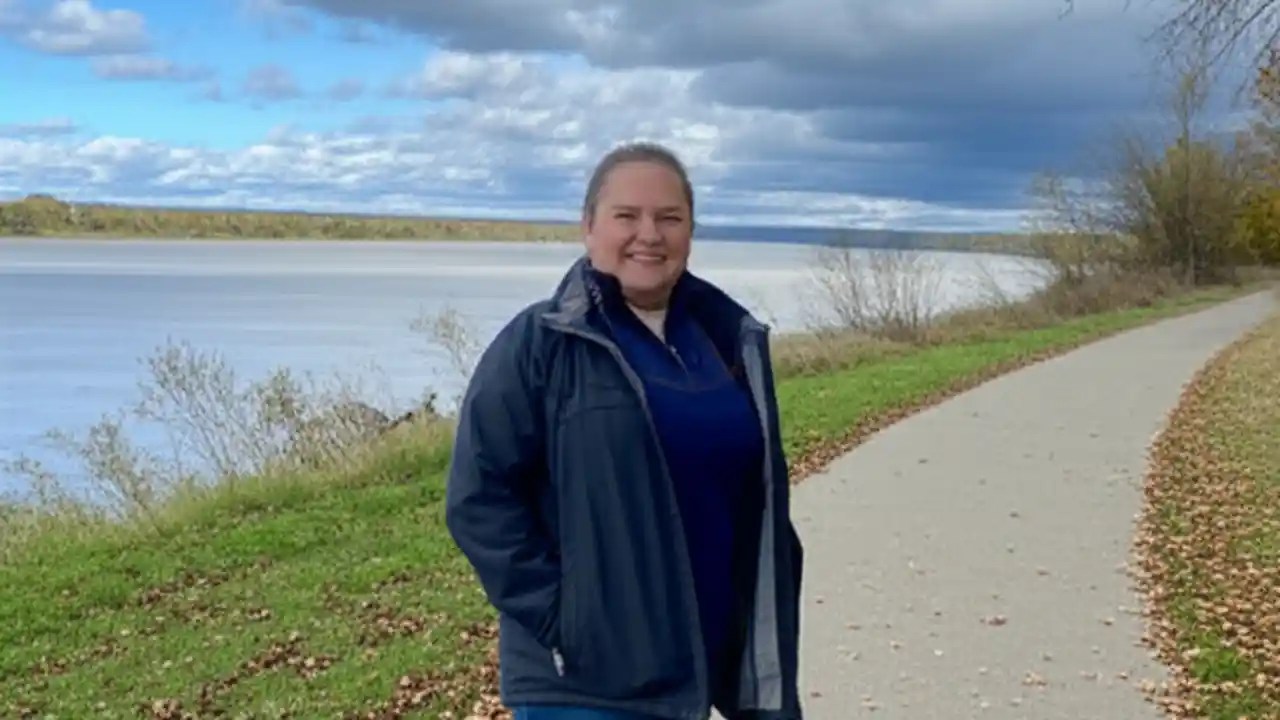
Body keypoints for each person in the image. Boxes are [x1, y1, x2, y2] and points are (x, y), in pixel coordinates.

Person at [444, 141, 805, 720]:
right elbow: (478, 498)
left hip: (698, 672)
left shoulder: (726, 341)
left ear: (691, 231)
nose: (649, 234)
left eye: (669, 218)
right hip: (586, 689)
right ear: (588, 228)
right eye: (626, 216)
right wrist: (568, 621)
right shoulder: (542, 343)